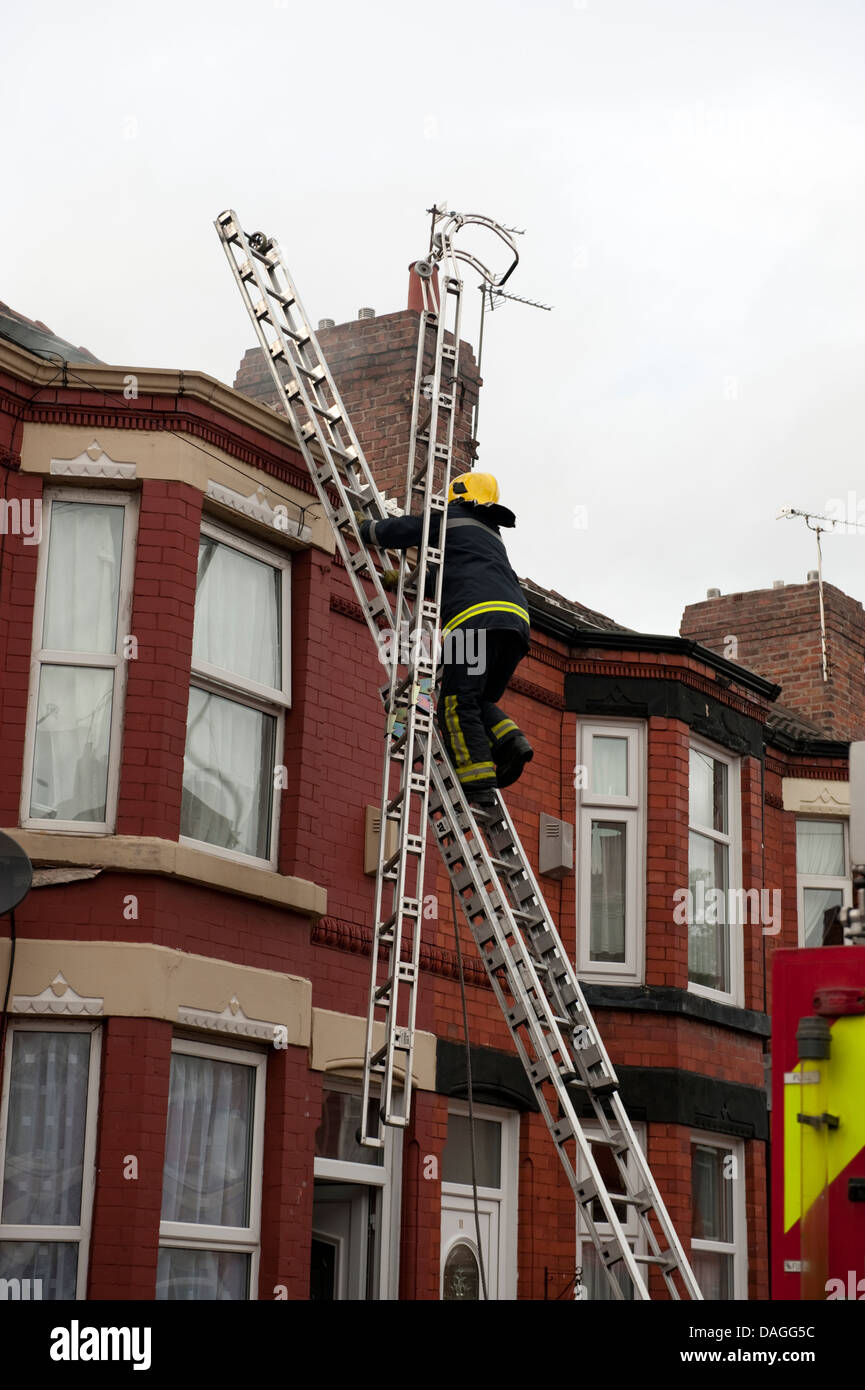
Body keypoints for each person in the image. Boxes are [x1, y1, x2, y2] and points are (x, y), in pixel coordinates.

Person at [358, 472, 533, 809]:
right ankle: (511, 742)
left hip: (475, 622)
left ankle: (477, 782)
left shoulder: (449, 518)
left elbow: (407, 529)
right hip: (514, 625)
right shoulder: (489, 535)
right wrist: (407, 581)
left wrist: (368, 530)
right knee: (476, 700)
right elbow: (446, 576)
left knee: (454, 704)